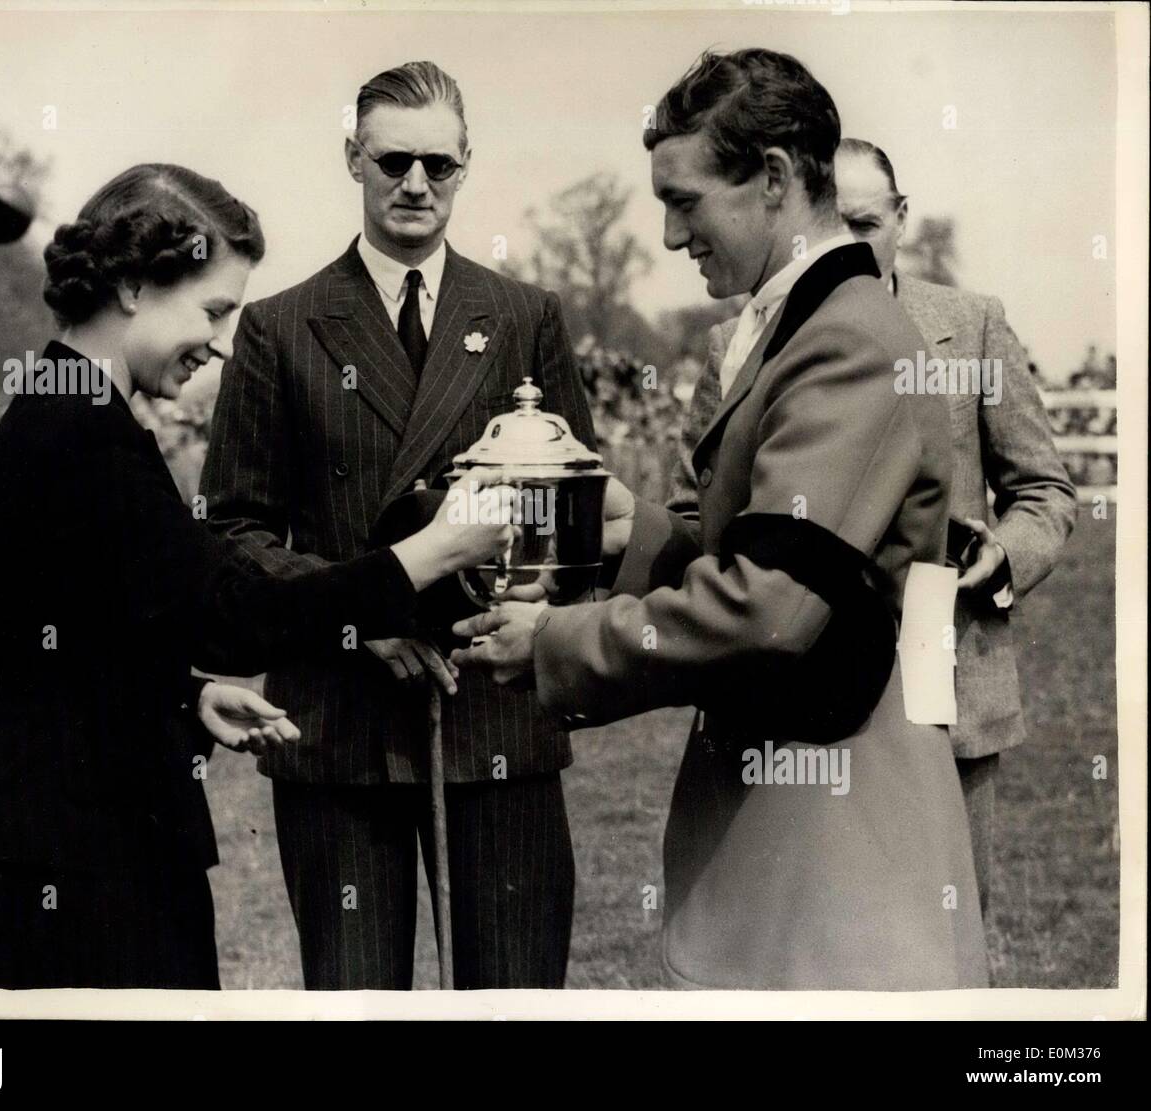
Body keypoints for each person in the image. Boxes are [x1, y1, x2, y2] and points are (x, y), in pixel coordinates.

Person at [453, 48, 989, 990]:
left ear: (774, 178)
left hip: (840, 836)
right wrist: (630, 528)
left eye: (686, 199)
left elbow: (771, 604)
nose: (668, 235)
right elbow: (761, 542)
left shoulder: (851, 338)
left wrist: (555, 640)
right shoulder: (795, 323)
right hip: (793, 818)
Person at [0, 164, 516, 990]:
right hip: (83, 870)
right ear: (132, 285)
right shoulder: (82, 433)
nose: (224, 340)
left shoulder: (62, 411)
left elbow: (90, 636)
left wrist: (186, 695)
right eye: (213, 309)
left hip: (54, 843)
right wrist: (424, 558)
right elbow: (227, 610)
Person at [202, 61, 595, 990]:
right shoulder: (279, 327)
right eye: (392, 163)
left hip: (495, 712)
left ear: (464, 166)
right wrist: (360, 614)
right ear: (354, 160)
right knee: (354, 1004)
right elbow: (235, 535)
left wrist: (523, 610)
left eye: (438, 165)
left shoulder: (523, 318)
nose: (415, 184)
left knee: (514, 1001)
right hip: (340, 729)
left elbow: (577, 520)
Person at [671, 138, 1078, 921]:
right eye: (839, 222)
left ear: (901, 217)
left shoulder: (972, 324)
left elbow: (1044, 489)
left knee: (945, 935)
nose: (853, 242)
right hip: (791, 694)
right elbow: (697, 516)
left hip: (943, 679)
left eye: (869, 221)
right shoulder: (738, 343)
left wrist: (1003, 556)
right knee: (803, 938)